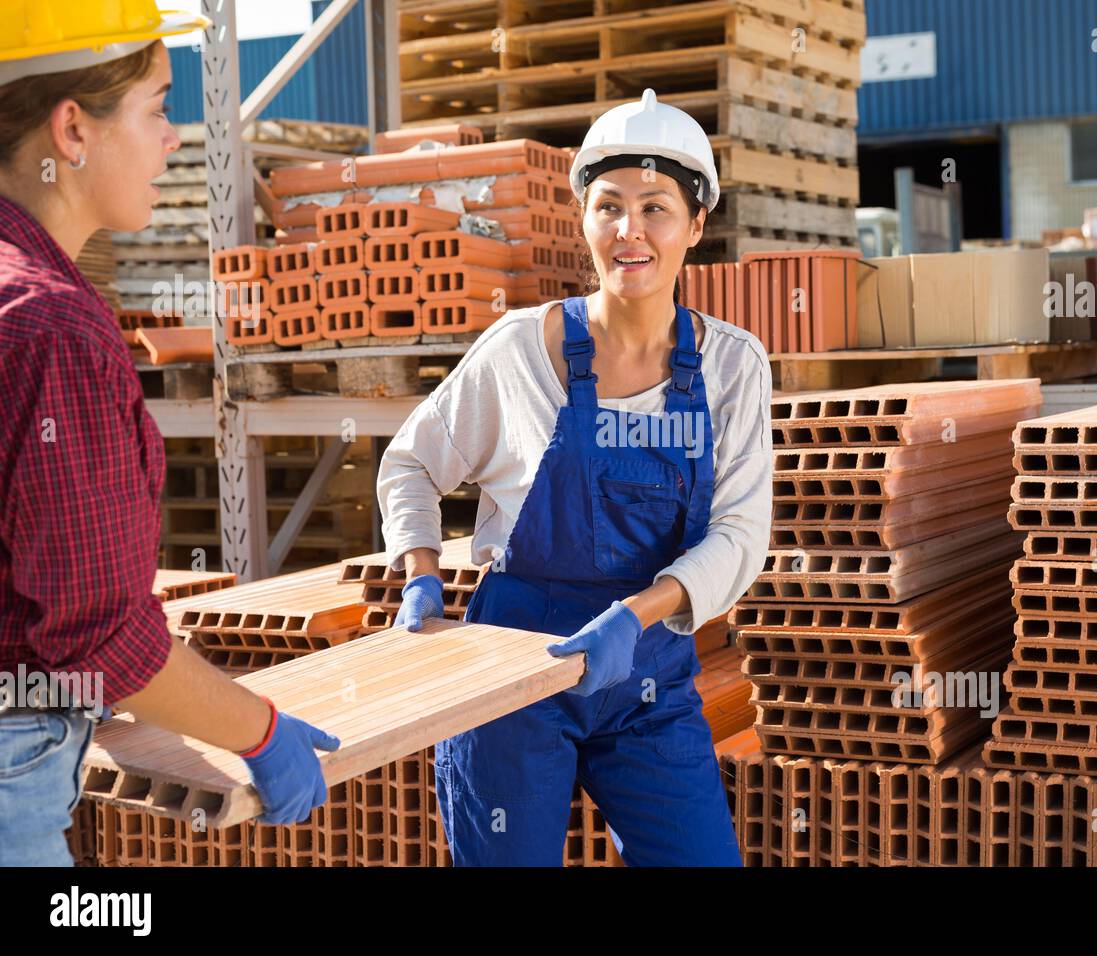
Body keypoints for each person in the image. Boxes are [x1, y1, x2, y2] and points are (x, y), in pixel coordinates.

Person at [378, 88, 773, 866]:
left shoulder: (732, 366)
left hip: (647, 679)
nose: (630, 231)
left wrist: (636, 616)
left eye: (656, 207)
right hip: (512, 679)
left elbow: (740, 534)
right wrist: (420, 569)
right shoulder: (520, 350)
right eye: (608, 206)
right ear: (583, 220)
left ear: (697, 225)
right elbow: (412, 462)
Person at [0, 2, 337, 867]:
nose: (175, 138)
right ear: (72, 130)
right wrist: (260, 733)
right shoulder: (50, 331)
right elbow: (102, 634)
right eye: (157, 107)